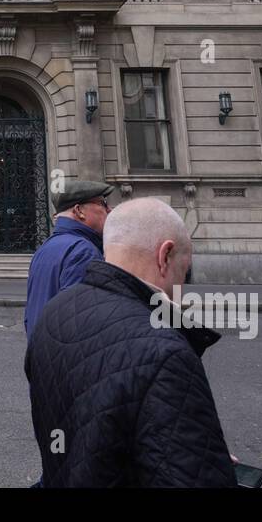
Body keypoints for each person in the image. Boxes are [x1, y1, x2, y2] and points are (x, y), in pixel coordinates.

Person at [26, 198, 236, 488]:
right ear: (165, 255)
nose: (181, 287)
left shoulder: (53, 314)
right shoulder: (167, 354)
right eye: (183, 271)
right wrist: (200, 452)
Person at [24, 180, 114, 340]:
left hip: (41, 351)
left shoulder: (46, 247)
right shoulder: (83, 251)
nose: (109, 210)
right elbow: (80, 322)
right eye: (103, 203)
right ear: (79, 210)